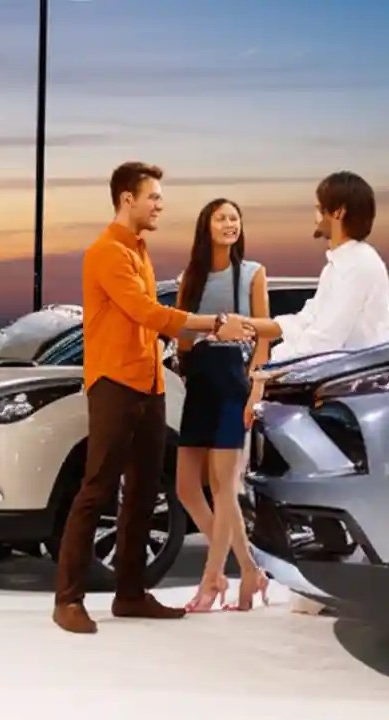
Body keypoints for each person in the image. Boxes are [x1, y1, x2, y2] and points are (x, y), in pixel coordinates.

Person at [52, 161, 253, 635]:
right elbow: (145, 312)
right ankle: (68, 600)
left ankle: (130, 594)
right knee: (96, 489)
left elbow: (148, 320)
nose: (160, 204)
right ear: (127, 198)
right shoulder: (105, 253)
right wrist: (210, 323)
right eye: (154, 197)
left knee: (143, 493)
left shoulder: (140, 251)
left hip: (149, 384)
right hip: (114, 385)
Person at [234, 170, 389, 615]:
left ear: (337, 211)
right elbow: (307, 319)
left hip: (350, 397)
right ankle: (321, 585)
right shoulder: (341, 264)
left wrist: (268, 369)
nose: (316, 215)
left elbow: (326, 337)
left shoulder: (360, 265)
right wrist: (254, 329)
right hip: (334, 393)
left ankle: (334, 588)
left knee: (331, 494)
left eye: (320, 206)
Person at [171, 198, 272, 613]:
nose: (229, 224)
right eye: (221, 218)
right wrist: (198, 334)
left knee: (223, 487)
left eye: (234, 218)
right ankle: (248, 568)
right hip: (199, 384)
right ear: (206, 227)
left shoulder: (252, 274)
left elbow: (264, 336)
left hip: (234, 382)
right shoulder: (189, 278)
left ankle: (213, 579)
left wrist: (255, 389)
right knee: (185, 486)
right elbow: (180, 336)